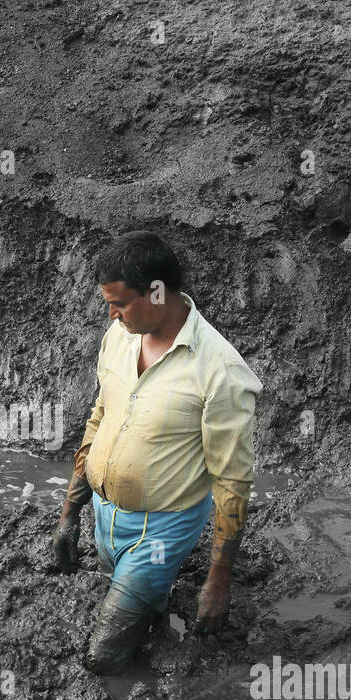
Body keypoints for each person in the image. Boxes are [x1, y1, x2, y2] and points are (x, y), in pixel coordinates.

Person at [52, 230, 263, 675]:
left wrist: (217, 582)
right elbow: (100, 417)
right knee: (137, 610)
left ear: (157, 292)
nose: (112, 313)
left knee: (103, 657)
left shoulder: (219, 370)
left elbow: (232, 483)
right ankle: (153, 614)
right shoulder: (119, 337)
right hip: (105, 515)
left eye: (121, 302)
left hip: (161, 530)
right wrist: (70, 512)